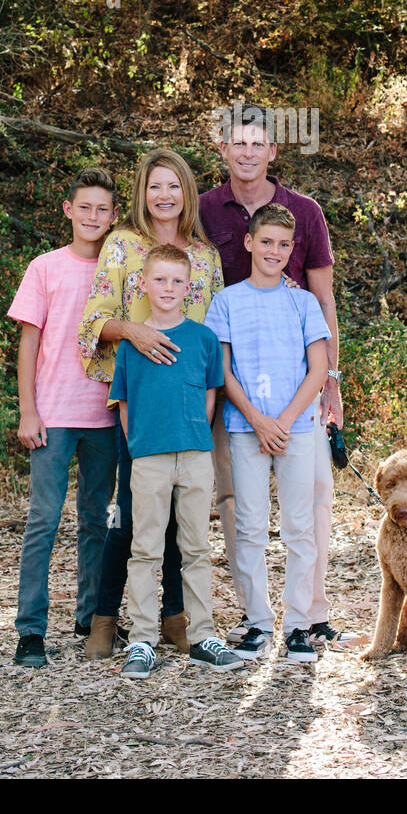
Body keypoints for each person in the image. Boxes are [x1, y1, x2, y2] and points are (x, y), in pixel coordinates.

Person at [199, 106, 355, 647]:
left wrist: (331, 382)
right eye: (235, 142)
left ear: (272, 151)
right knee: (238, 508)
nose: (246, 152)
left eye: (256, 143)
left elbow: (324, 296)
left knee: (309, 506)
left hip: (298, 391)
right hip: (235, 393)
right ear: (221, 150)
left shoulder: (304, 213)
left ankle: (308, 616)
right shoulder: (203, 212)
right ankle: (255, 618)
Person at [78, 149, 223, 658]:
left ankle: (177, 620)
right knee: (132, 517)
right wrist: (134, 332)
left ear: (188, 192)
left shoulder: (204, 257)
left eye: (174, 186)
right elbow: (92, 323)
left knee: (184, 526)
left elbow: (215, 332)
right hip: (136, 406)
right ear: (142, 193)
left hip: (190, 410)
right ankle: (104, 618)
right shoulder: (122, 247)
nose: (164, 196)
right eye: (154, 186)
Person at [205, 204, 330, 662]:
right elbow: (221, 369)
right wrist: (258, 420)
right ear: (249, 243)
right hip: (244, 428)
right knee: (251, 527)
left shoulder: (302, 302)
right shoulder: (227, 302)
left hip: (297, 428)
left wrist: (283, 420)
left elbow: (317, 369)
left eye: (283, 244)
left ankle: (297, 625)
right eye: (266, 242)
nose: (274, 251)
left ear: (291, 248)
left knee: (300, 529)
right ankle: (258, 622)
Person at [114, 245, 244, 677]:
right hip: (148, 457)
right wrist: (138, 447)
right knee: (145, 548)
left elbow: (211, 394)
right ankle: (143, 640)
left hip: (194, 456)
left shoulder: (202, 338)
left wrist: (194, 436)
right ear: (144, 284)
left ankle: (203, 634)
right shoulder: (132, 343)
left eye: (176, 281)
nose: (167, 288)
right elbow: (125, 401)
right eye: (159, 280)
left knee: (197, 548)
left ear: (189, 288)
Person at [10, 168, 120, 668]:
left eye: (103, 209)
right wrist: (28, 410)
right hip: (53, 415)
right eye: (85, 207)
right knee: (45, 520)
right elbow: (29, 341)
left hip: (103, 416)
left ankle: (88, 617)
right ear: (68, 210)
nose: (93, 217)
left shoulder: (119, 270)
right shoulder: (45, 268)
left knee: (96, 520)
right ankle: (31, 630)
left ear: (114, 216)